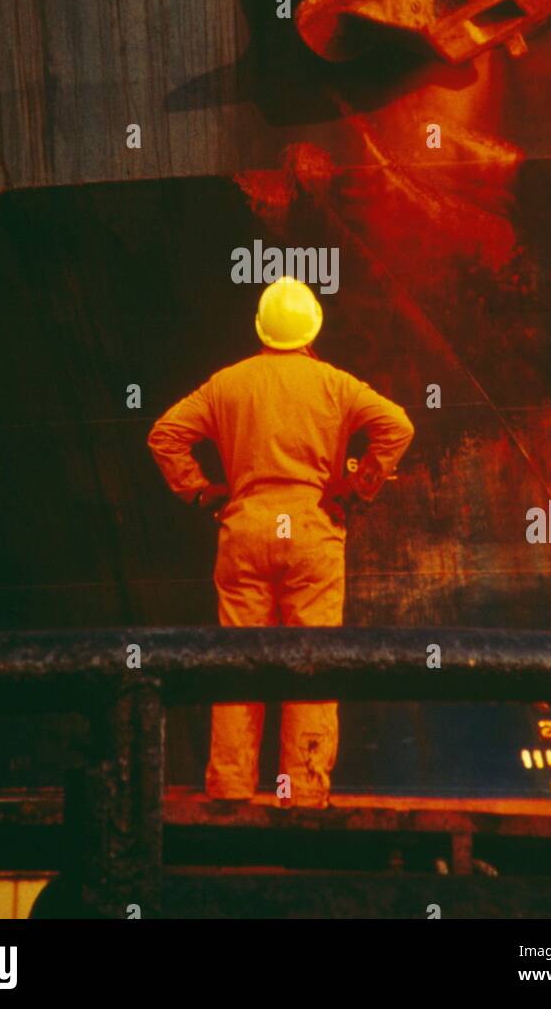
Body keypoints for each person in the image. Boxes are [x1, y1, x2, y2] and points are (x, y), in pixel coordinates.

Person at [147, 276, 414, 807]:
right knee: (312, 662)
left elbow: (164, 434)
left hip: (244, 528)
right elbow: (398, 426)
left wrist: (200, 493)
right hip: (311, 528)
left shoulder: (227, 383)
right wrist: (360, 487)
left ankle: (228, 789)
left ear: (261, 329)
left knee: (237, 664)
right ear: (314, 329)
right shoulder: (336, 384)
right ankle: (305, 791)